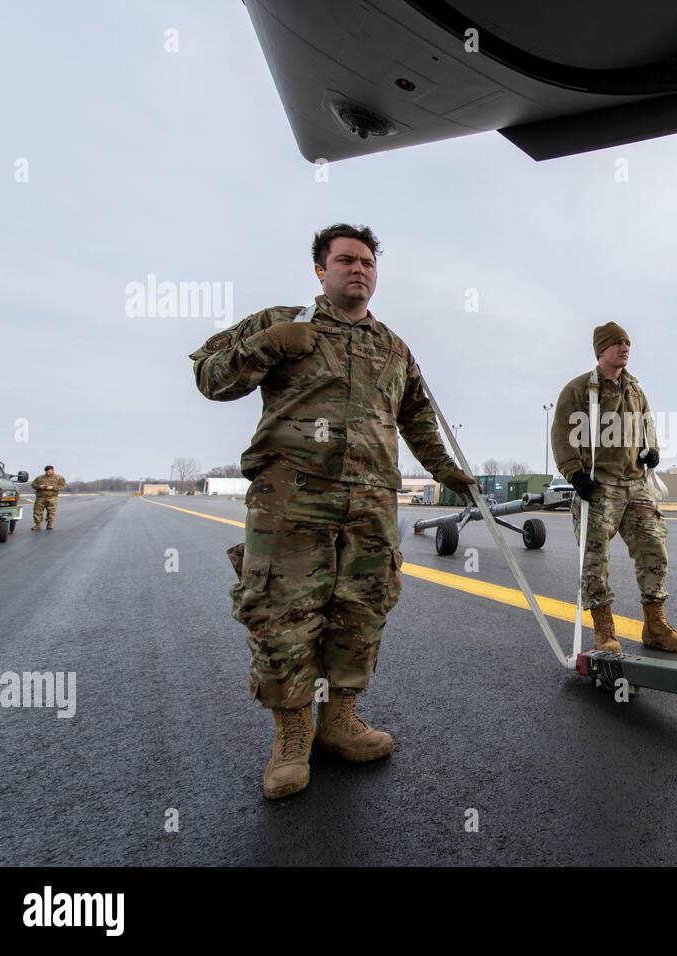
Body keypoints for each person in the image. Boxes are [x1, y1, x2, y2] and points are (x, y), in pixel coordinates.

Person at [189, 223, 474, 799]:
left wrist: (448, 472)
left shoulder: (394, 348)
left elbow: (418, 419)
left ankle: (338, 720)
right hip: (291, 497)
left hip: (371, 501)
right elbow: (208, 378)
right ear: (321, 270)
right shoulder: (283, 322)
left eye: (367, 262)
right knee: (281, 613)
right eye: (345, 260)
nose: (359, 269)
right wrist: (269, 345)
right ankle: (292, 735)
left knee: (361, 610)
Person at [550, 322, 677, 655]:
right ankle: (604, 631)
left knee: (654, 550)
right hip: (600, 486)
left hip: (636, 484)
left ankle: (655, 626)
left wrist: (652, 451)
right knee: (594, 560)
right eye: (618, 343)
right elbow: (562, 435)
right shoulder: (579, 389)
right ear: (601, 350)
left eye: (628, 343)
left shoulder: (635, 389)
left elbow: (647, 425)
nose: (625, 348)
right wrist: (574, 473)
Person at [30, 466, 66, 531]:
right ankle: (37, 525)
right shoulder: (39, 477)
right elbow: (33, 485)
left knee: (51, 511)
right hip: (40, 497)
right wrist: (39, 486)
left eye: (49, 472)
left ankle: (50, 524)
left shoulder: (59, 477)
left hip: (52, 497)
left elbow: (63, 486)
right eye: (46, 472)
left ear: (53, 470)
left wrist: (53, 487)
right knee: (37, 511)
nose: (47, 473)